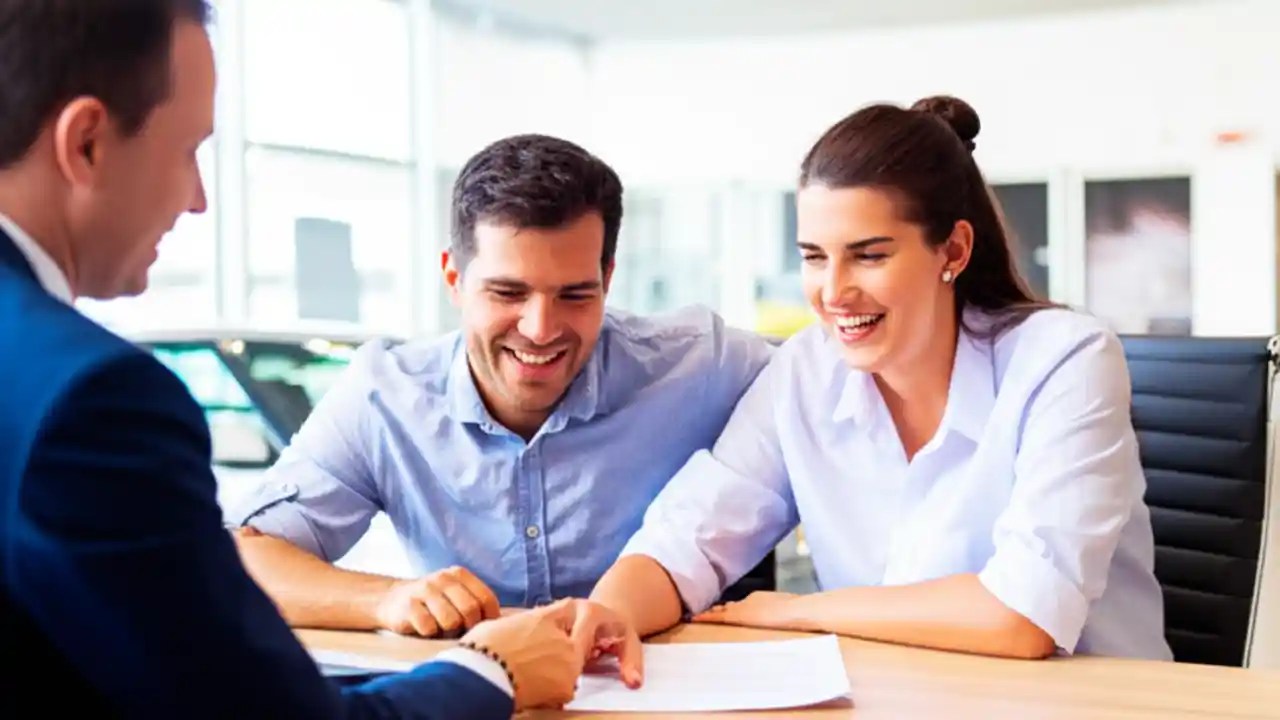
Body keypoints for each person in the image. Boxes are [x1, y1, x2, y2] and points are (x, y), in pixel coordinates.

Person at [0, 2, 629, 717]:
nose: (200, 199)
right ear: (85, 143)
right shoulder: (90, 398)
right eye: (187, 151)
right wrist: (492, 671)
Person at [584, 96, 1173, 662]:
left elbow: (1023, 615)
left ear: (954, 250)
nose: (834, 291)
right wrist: (604, 615)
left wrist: (799, 613)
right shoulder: (805, 373)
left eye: (869, 255)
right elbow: (685, 540)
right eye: (814, 256)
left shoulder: (1064, 359)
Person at [230, 133, 773, 640]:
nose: (540, 328)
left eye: (575, 295)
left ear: (608, 279)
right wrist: (386, 600)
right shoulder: (385, 399)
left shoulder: (699, 364)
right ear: (454, 279)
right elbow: (241, 558)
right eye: (508, 293)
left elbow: (830, 375)